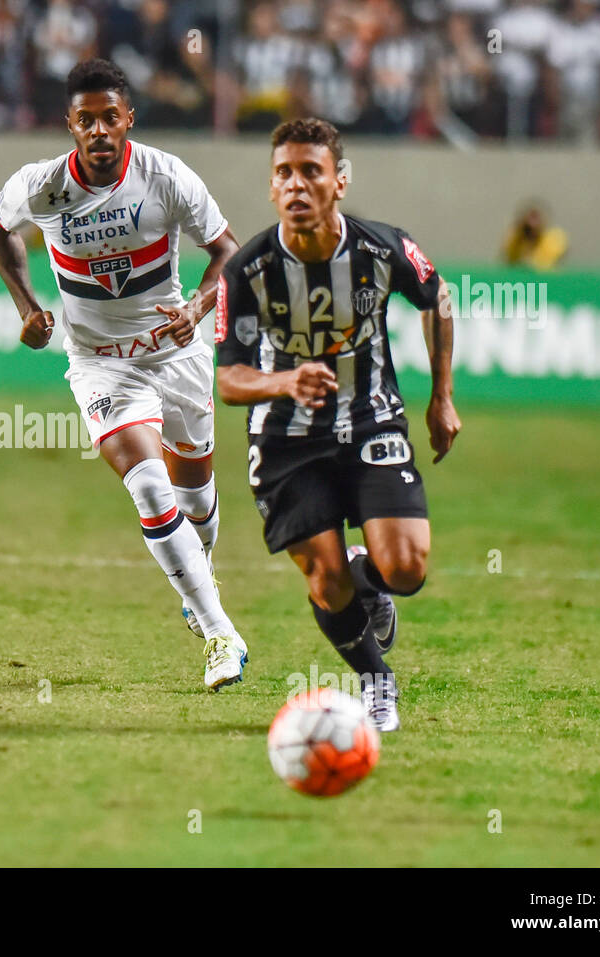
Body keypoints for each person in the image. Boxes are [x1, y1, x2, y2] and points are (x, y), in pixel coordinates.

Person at [0, 58, 249, 690]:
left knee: (196, 495)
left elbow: (228, 254)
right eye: (86, 120)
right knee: (151, 490)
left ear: (128, 117)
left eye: (110, 117)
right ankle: (221, 636)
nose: (99, 130)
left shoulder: (167, 176)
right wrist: (28, 305)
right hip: (101, 364)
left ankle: (200, 575)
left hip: (176, 352)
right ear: (69, 125)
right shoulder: (40, 186)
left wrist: (197, 309)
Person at [214, 117, 462, 730]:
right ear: (271, 189)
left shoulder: (383, 248)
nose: (296, 186)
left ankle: (367, 575)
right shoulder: (245, 272)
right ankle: (377, 682)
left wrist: (442, 398)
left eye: (310, 172)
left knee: (406, 569)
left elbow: (437, 299)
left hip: (371, 421)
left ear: (339, 182)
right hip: (285, 441)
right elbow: (229, 380)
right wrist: (283, 382)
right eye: (283, 174)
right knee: (325, 581)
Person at [502, 203, 568, 270]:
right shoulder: (515, 239)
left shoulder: (553, 240)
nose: (532, 225)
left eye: (536, 218)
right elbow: (507, 255)